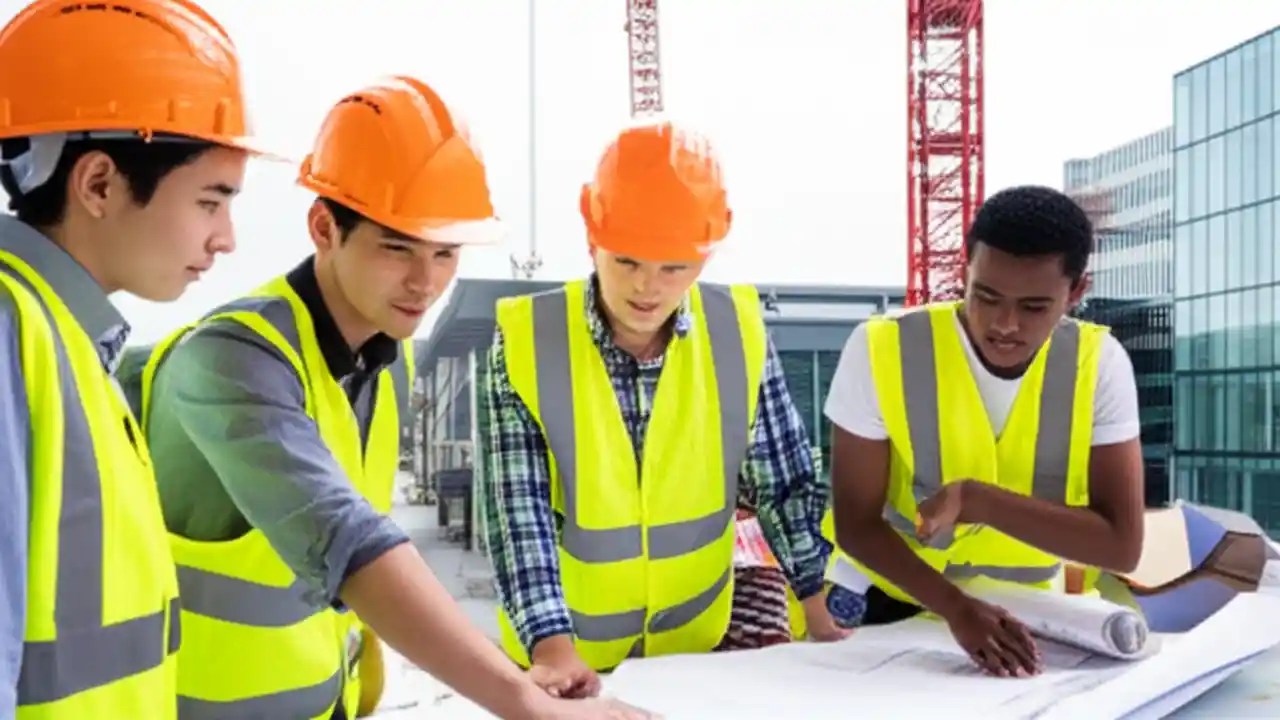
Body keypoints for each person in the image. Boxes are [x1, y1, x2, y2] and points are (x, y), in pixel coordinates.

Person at [133, 77, 653, 720]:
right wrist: (522, 702)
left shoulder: (389, 358)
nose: (425, 281)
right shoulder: (230, 361)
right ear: (324, 227)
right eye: (397, 247)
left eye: (444, 252)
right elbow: (349, 542)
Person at [481, 119, 848, 699]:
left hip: (697, 651)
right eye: (626, 262)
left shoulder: (738, 333)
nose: (647, 288)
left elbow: (784, 484)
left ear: (705, 256)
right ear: (591, 239)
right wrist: (552, 649)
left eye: (673, 267)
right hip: (569, 654)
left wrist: (817, 600)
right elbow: (518, 515)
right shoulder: (528, 340)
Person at [0, 1, 272, 717]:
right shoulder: (11, 334)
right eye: (212, 201)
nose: (227, 239)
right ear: (97, 184)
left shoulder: (66, 345)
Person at [824, 185, 1144, 677]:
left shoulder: (1099, 365)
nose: (1005, 325)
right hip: (884, 608)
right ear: (965, 268)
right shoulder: (881, 348)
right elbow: (855, 524)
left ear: (1077, 291)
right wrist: (955, 607)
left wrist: (980, 502)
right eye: (986, 296)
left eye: (1034, 306)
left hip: (1025, 622)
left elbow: (1121, 546)